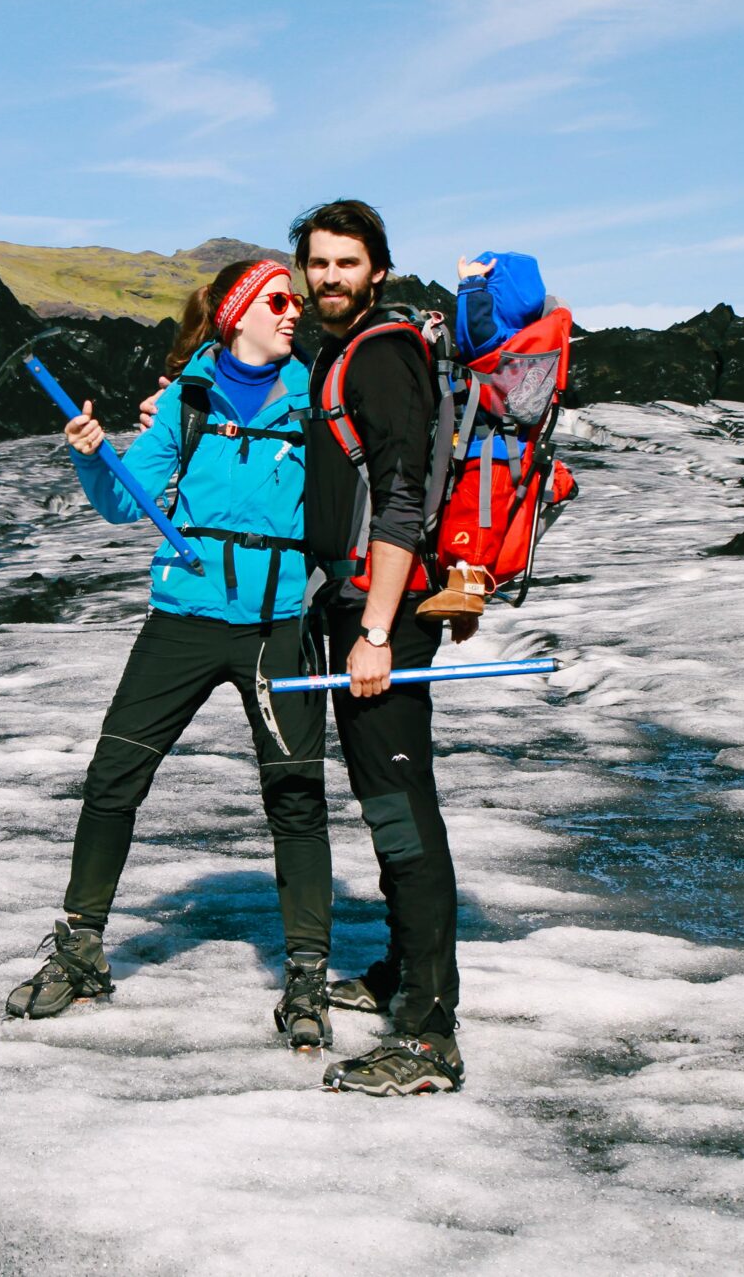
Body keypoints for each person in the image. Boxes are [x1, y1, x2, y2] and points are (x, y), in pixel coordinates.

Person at [5, 258, 338, 1051]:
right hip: (183, 615)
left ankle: (307, 978)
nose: (295, 311)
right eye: (278, 300)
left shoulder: (317, 398)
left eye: (295, 300)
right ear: (234, 314)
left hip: (279, 622)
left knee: (295, 797)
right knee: (114, 774)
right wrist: (93, 451)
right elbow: (127, 501)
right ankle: (82, 948)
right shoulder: (185, 403)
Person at [296, 199, 468, 1096]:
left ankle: (431, 1034)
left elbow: (404, 497)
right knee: (382, 799)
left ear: (379, 270)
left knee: (402, 807)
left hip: (380, 615)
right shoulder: (336, 351)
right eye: (319, 263)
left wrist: (374, 632)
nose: (330, 277)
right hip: (356, 606)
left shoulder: (384, 353)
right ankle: (402, 972)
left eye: (347, 264)